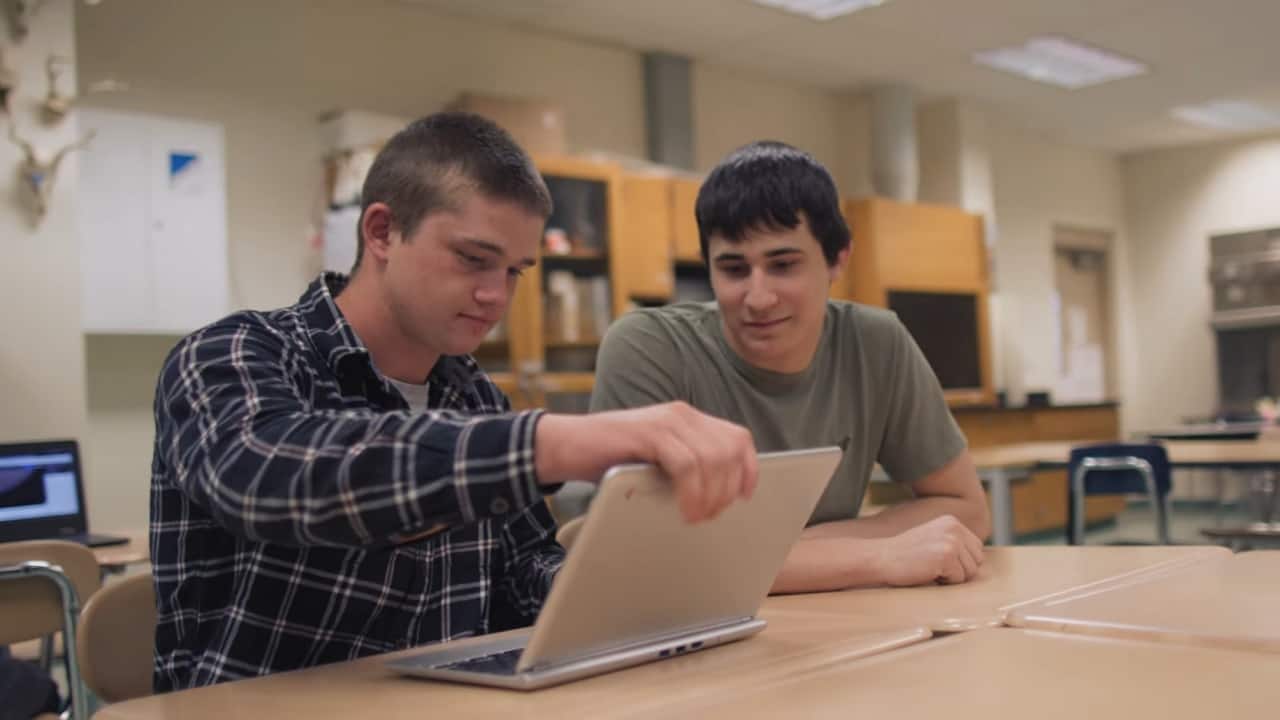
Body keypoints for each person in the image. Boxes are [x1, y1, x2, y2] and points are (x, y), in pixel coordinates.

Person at [149, 112, 758, 691]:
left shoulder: (474, 396)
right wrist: (559, 441)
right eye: (473, 259)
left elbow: (521, 573)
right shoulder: (231, 353)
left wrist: (618, 596)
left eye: (516, 270)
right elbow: (270, 476)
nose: (496, 296)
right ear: (382, 232)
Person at [590, 140, 991, 594]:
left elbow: (967, 508)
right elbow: (642, 561)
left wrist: (792, 552)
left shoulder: (877, 343)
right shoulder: (648, 348)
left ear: (837, 259)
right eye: (734, 270)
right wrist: (878, 555)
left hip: (836, 624)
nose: (758, 298)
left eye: (783, 265)